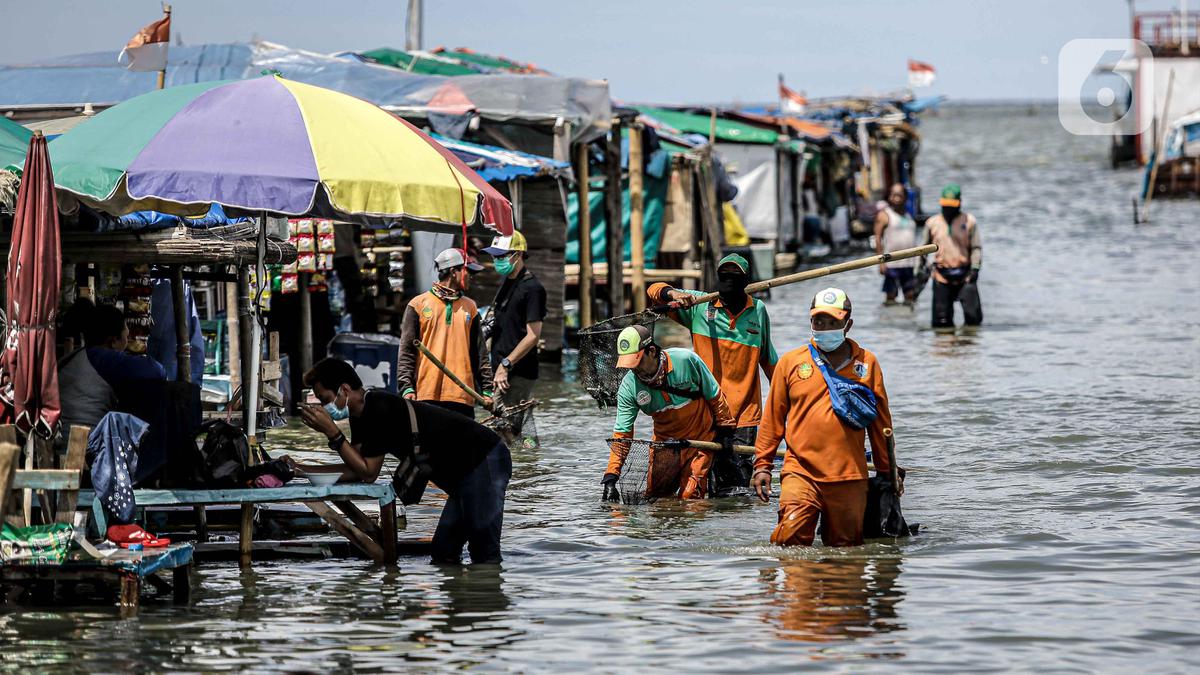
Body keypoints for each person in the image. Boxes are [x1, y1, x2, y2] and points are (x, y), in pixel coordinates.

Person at [294, 358, 511, 564]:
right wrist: (298, 470)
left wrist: (332, 433)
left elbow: (368, 474)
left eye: (324, 399)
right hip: (462, 474)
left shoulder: (378, 407)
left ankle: (487, 599)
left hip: (485, 458)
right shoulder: (360, 415)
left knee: (485, 554)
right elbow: (356, 469)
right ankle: (460, 602)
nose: (324, 407)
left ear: (344, 390)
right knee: (444, 552)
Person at [751, 288, 900, 547]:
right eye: (819, 321)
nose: (824, 327)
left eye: (833, 322)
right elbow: (773, 419)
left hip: (849, 477)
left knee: (846, 554)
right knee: (790, 541)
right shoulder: (791, 362)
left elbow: (881, 426)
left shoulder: (866, 364)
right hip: (800, 471)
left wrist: (888, 472)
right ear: (811, 322)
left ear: (848, 324)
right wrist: (762, 465)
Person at [647, 253, 777, 496]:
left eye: (735, 276)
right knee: (702, 485)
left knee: (735, 492)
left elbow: (770, 361)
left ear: (746, 280)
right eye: (724, 276)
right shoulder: (699, 306)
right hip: (707, 413)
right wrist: (675, 295)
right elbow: (654, 291)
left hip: (744, 416)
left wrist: (789, 402)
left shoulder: (757, 311)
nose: (729, 281)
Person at [603, 325, 737, 500]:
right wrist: (611, 477)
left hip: (700, 441)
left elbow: (715, 396)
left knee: (690, 498)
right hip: (665, 445)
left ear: (651, 351)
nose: (635, 370)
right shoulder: (629, 388)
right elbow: (622, 434)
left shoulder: (687, 360)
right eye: (630, 366)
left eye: (637, 363)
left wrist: (725, 433)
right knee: (655, 499)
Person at [397, 248, 492, 419]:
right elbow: (406, 352)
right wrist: (406, 387)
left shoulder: (470, 307)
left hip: (462, 396)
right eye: (467, 271)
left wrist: (487, 390)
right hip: (426, 393)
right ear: (453, 271)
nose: (471, 276)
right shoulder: (418, 304)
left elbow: (479, 353)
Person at [59, 302, 167, 432]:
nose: (127, 342)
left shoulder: (78, 356)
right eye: (126, 337)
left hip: (67, 437)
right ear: (113, 341)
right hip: (78, 444)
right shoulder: (102, 359)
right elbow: (157, 371)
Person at [482, 230, 546, 415]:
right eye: (495, 256)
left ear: (517, 255)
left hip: (517, 372)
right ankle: (526, 446)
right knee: (505, 430)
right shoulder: (507, 283)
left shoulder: (533, 289)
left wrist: (506, 364)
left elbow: (533, 336)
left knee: (513, 429)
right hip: (500, 371)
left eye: (501, 256)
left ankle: (530, 446)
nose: (497, 260)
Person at [918, 183, 982, 328]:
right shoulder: (932, 223)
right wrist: (919, 271)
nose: (948, 210)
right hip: (941, 276)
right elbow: (921, 250)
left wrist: (975, 269)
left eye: (951, 206)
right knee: (941, 323)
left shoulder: (969, 221)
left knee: (974, 320)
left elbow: (976, 248)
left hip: (965, 275)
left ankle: (969, 347)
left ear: (959, 204)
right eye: (946, 206)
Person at [874, 183, 919, 306]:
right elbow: (877, 238)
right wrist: (881, 262)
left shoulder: (909, 215)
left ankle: (907, 322)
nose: (896, 198)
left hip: (909, 263)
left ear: (905, 197)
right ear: (889, 197)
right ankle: (890, 323)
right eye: (893, 195)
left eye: (899, 195)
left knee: (910, 296)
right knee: (891, 297)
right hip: (891, 263)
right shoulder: (884, 215)